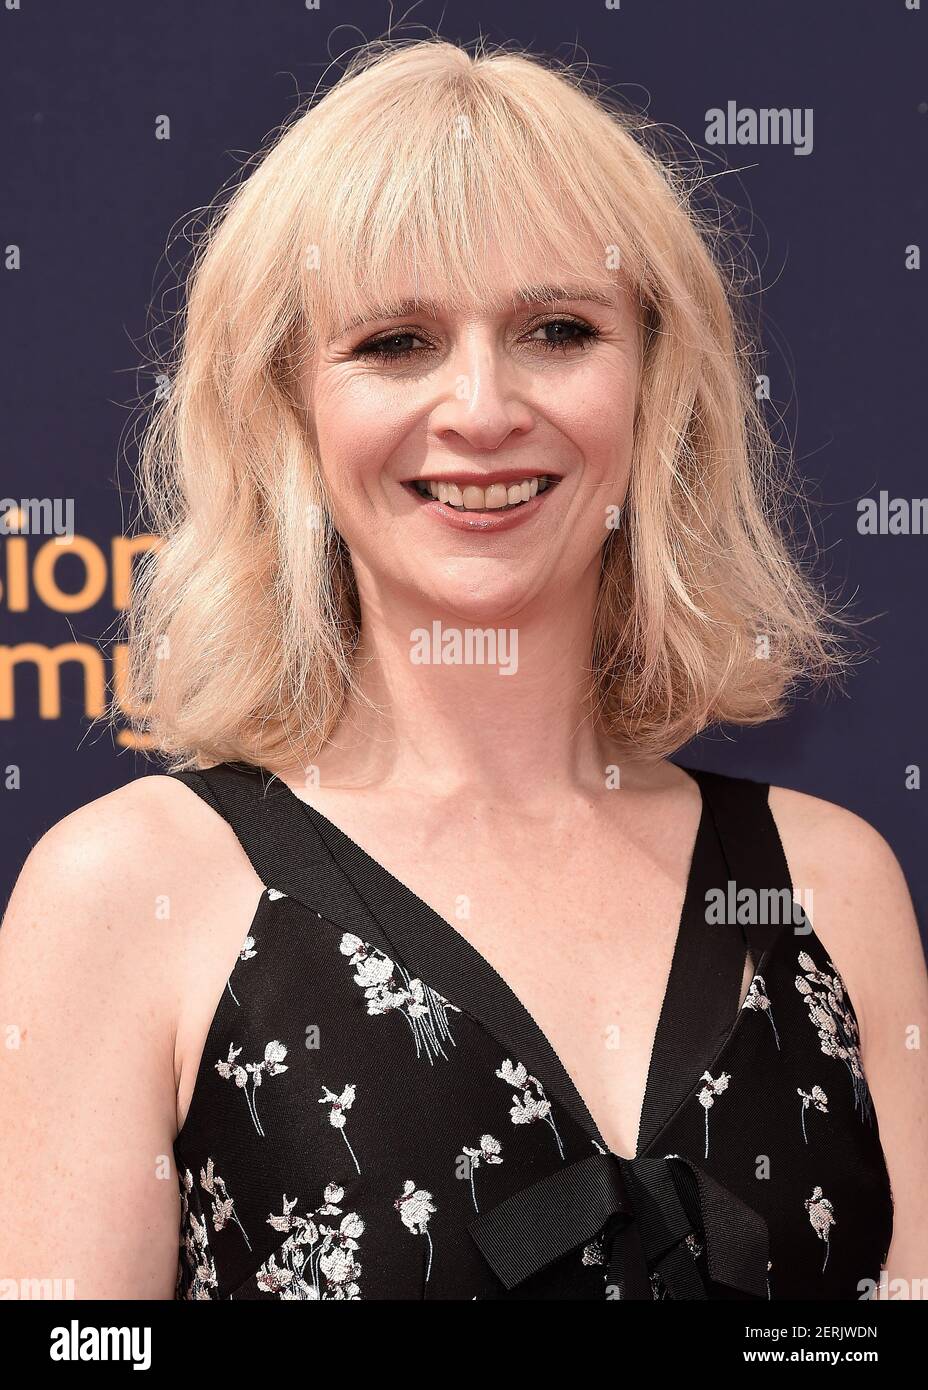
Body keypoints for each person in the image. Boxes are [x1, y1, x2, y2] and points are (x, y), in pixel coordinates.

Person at [1, 37, 925, 1302]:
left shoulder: (826, 885)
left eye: (559, 329)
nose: (482, 409)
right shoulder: (127, 893)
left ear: (655, 386)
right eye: (396, 342)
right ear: (288, 407)